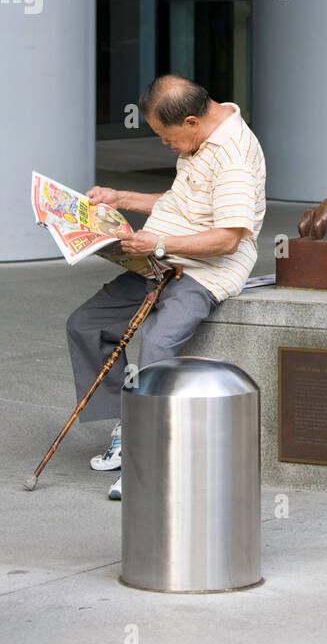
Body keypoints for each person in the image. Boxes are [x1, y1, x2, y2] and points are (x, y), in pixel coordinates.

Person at [66, 75, 266, 500]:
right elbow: (181, 200)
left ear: (191, 121)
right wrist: (121, 198)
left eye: (164, 137)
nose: (164, 145)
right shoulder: (199, 139)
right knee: (86, 324)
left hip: (205, 269)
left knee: (158, 342)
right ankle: (129, 420)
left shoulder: (233, 156)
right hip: (159, 257)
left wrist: (156, 242)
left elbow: (227, 238)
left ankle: (150, 454)